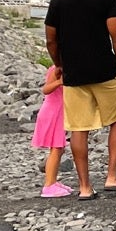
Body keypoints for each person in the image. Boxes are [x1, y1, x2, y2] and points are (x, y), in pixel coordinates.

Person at [44, 0, 116, 198]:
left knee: (78, 129)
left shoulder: (59, 0)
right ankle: (112, 177)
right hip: (107, 71)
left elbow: (51, 40)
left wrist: (59, 64)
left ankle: (84, 187)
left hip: (74, 74)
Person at [32, 63, 71, 198]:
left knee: (59, 149)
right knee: (56, 148)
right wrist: (60, 82)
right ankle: (49, 185)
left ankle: (53, 181)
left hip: (58, 111)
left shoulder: (64, 68)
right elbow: (46, 89)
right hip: (53, 112)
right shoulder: (57, 69)